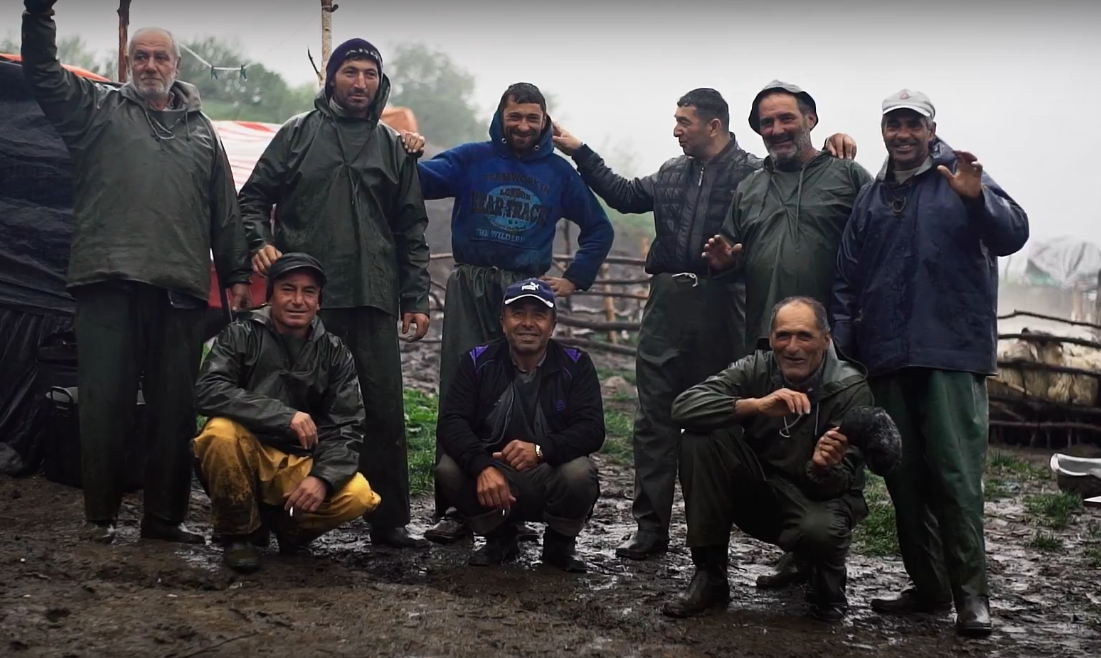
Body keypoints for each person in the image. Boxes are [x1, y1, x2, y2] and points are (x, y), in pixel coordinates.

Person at [552, 88, 857, 562]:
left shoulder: (758, 173)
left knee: (720, 418)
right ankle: (649, 528)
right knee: (653, 417)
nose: (675, 130)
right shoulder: (671, 172)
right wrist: (580, 152)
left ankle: (708, 536)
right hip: (667, 301)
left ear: (713, 125)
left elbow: (806, 172)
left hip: (725, 304)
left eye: (683, 121)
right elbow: (626, 194)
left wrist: (836, 140)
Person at [20, 0, 252, 544]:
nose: (150, 65)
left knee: (174, 411)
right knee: (105, 404)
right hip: (108, 282)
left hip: (179, 291)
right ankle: (100, 516)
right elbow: (43, 74)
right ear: (128, 66)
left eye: (160, 57)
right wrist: (39, 13)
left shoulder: (202, 132)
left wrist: (237, 272)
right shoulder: (95, 110)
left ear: (176, 65)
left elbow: (224, 207)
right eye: (140, 57)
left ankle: (164, 520)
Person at [830, 89, 1029, 637]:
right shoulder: (871, 199)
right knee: (902, 475)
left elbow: (1013, 232)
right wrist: (849, 344)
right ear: (883, 132)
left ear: (930, 128)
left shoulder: (960, 177)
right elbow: (846, 279)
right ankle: (930, 587)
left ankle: (972, 598)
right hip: (887, 356)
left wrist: (975, 200)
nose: (901, 134)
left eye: (912, 124)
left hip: (951, 353)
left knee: (955, 477)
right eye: (892, 125)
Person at [400, 82, 614, 544]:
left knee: (522, 386)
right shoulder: (472, 159)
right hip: (472, 281)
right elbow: (418, 181)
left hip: (524, 289)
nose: (522, 126)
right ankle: (458, 509)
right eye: (515, 117)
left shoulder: (558, 173)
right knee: (463, 385)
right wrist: (407, 153)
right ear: (501, 117)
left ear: (545, 123)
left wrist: (576, 276)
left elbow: (598, 227)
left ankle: (524, 486)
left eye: (532, 118)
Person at [238, 39, 431, 549]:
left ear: (380, 81)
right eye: (350, 72)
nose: (360, 83)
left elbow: (411, 228)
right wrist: (260, 243)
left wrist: (415, 296)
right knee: (295, 404)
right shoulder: (297, 134)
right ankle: (281, 516)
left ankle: (388, 520)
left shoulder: (394, 145)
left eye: (369, 73)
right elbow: (253, 197)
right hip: (306, 299)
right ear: (331, 77)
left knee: (382, 407)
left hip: (373, 297)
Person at [665, 297, 872, 622]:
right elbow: (683, 406)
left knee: (820, 531)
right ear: (771, 338)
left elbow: (844, 483)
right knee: (699, 437)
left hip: (816, 501)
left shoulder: (850, 389)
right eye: (783, 336)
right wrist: (755, 406)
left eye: (804, 336)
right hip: (761, 494)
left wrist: (822, 466)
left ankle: (824, 582)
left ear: (825, 339)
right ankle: (710, 575)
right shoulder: (757, 367)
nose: (792, 347)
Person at [193, 254, 380, 572]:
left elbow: (347, 425)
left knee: (359, 495)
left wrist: (322, 478)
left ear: (319, 301)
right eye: (287, 289)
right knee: (218, 433)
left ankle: (289, 529)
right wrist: (283, 416)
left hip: (296, 463)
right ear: (270, 296)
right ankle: (238, 534)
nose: (298, 300)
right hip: (245, 450)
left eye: (308, 292)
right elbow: (208, 390)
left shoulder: (334, 352)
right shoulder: (241, 334)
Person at [434, 278, 605, 572]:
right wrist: (482, 466)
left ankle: (559, 543)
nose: (528, 323)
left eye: (538, 315)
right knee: (448, 469)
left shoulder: (576, 364)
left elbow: (591, 429)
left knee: (580, 473)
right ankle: (499, 538)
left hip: (549, 473)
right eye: (518, 314)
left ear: (552, 325)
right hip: (494, 476)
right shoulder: (477, 361)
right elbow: (451, 421)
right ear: (503, 322)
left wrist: (540, 450)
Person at [704, 81, 873, 348]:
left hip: (837, 336)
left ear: (811, 119)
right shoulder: (748, 188)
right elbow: (731, 257)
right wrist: (723, 264)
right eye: (767, 122)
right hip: (767, 337)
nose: (777, 130)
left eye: (787, 118)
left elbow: (881, 244)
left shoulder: (848, 175)